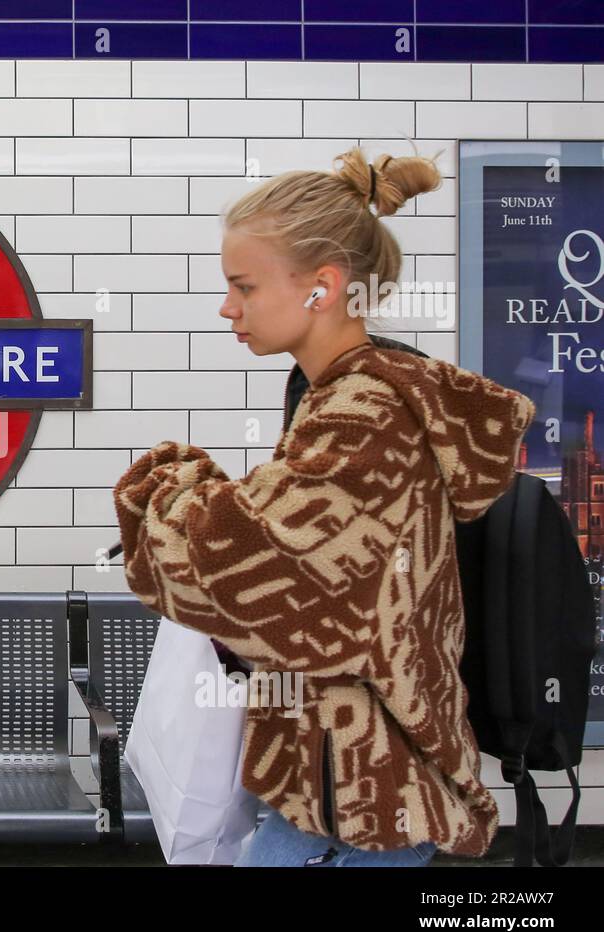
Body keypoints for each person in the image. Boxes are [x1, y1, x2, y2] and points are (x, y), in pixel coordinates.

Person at [112, 146, 537, 867]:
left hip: (359, 803)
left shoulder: (362, 415)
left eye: (243, 286)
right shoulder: (346, 399)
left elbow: (239, 570)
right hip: (343, 788)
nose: (227, 306)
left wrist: (162, 485)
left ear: (322, 287)